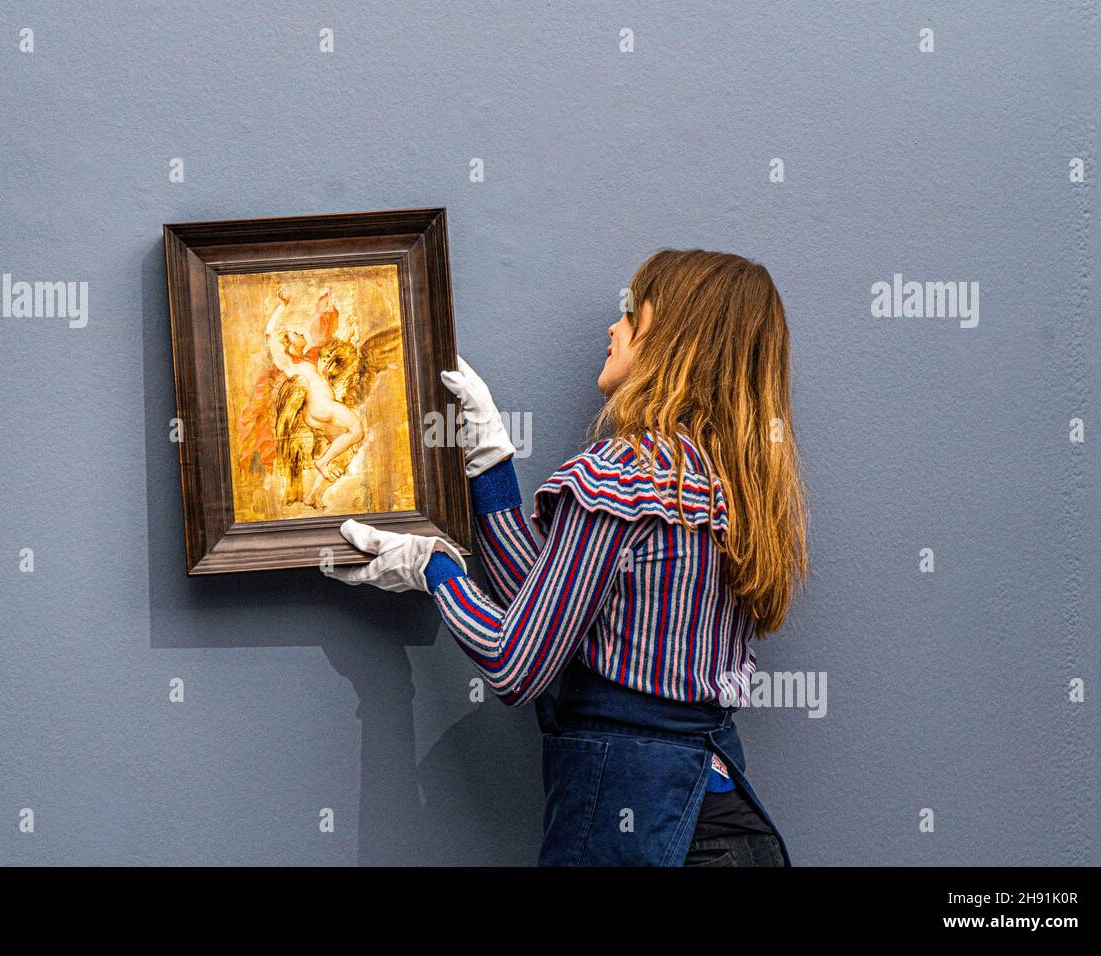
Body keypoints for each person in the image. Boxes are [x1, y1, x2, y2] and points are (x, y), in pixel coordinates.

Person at [323, 249, 810, 866]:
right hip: (731, 832)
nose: (614, 328)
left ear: (676, 338)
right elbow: (555, 604)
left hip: (645, 828)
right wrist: (488, 461)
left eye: (631, 314)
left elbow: (518, 665)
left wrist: (433, 568)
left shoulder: (623, 476)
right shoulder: (723, 488)